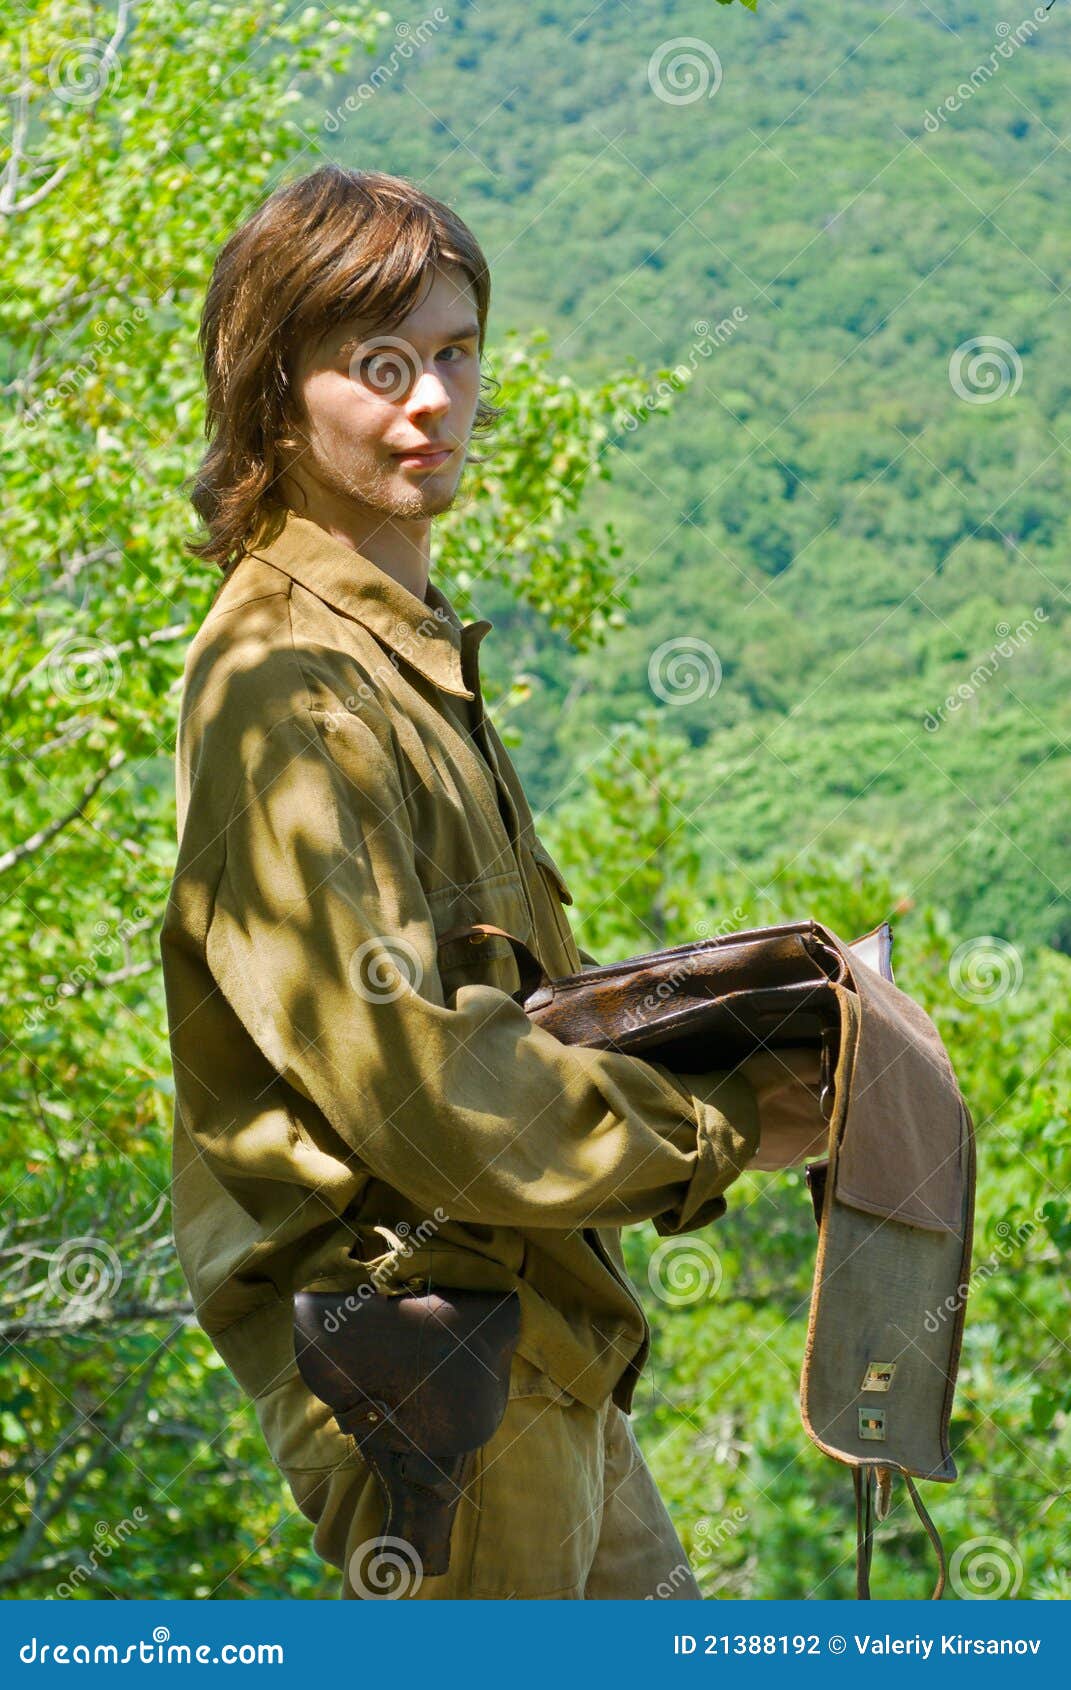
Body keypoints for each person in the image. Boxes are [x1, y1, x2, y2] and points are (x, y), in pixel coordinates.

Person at [159, 164, 822, 1601]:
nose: (433, 400)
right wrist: (719, 1124)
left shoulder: (400, 639)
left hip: (534, 1335)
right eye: (378, 363)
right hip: (431, 1367)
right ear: (274, 390)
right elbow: (411, 1080)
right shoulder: (288, 684)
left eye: (455, 352)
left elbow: (509, 1003)